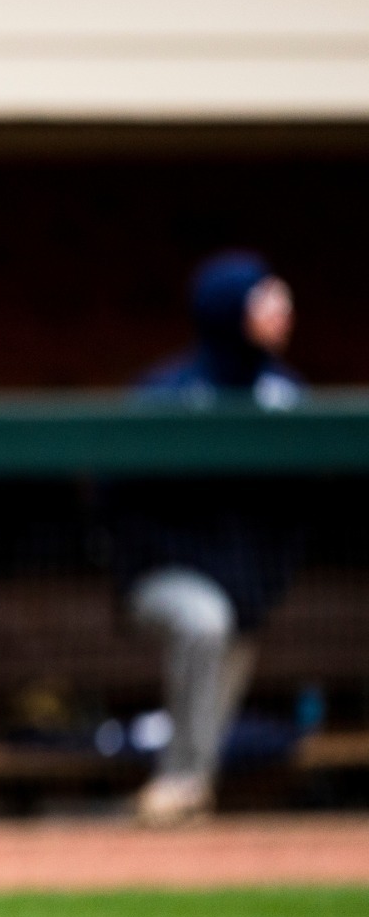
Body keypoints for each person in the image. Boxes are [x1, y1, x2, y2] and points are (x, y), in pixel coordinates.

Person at [111, 250, 302, 826]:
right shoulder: (168, 392)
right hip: (162, 575)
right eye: (264, 297)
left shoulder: (285, 393)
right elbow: (114, 497)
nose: (281, 309)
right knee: (205, 619)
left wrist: (265, 578)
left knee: (224, 650)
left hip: (248, 583)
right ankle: (179, 780)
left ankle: (186, 801)